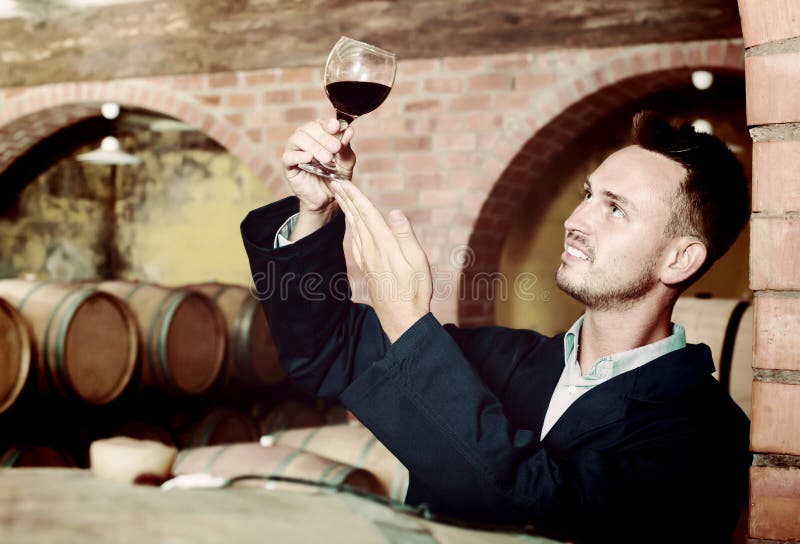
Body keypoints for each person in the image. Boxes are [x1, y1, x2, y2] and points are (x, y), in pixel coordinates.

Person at [241, 111, 752, 543]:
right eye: (588, 194)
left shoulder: (707, 437)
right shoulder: (507, 358)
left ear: (680, 259)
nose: (576, 219)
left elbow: (536, 506)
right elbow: (326, 348)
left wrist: (410, 322)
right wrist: (316, 208)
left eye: (614, 209)